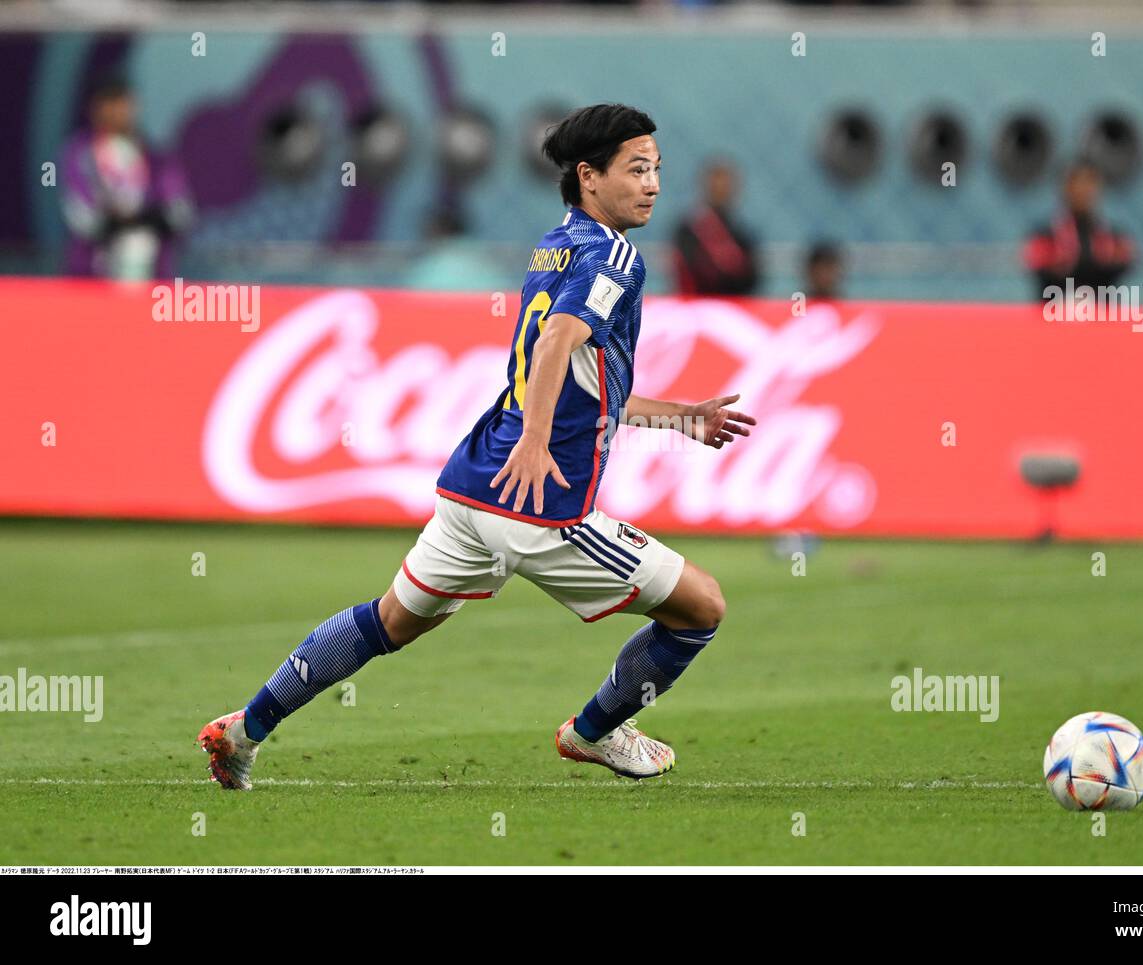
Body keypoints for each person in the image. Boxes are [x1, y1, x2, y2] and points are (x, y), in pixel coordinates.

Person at [197, 103, 757, 788]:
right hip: (539, 501)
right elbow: (556, 344)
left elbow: (581, 380)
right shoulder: (614, 255)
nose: (654, 185)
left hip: (475, 486)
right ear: (589, 175)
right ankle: (595, 732)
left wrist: (679, 418)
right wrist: (537, 439)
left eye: (657, 170)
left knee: (390, 620)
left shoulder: (556, 245)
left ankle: (243, 729)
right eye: (637, 169)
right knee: (702, 608)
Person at [60, 76, 193, 280]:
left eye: (122, 102)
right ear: (94, 107)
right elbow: (81, 216)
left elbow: (180, 213)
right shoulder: (79, 152)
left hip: (151, 277)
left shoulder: (156, 156)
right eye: (108, 103)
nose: (116, 111)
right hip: (92, 276)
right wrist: (117, 221)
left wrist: (145, 219)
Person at [1022, 160, 1135, 299]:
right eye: (1076, 182)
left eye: (1089, 183)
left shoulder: (1113, 237)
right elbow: (1043, 272)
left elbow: (1121, 266)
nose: (1082, 190)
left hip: (1103, 317)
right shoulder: (1044, 236)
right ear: (1064, 187)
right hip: (1052, 316)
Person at [672, 158, 761, 295]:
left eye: (725, 184)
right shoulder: (689, 229)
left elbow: (752, 277)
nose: (721, 189)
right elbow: (688, 271)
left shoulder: (742, 232)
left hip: (732, 305)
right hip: (699, 304)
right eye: (716, 183)